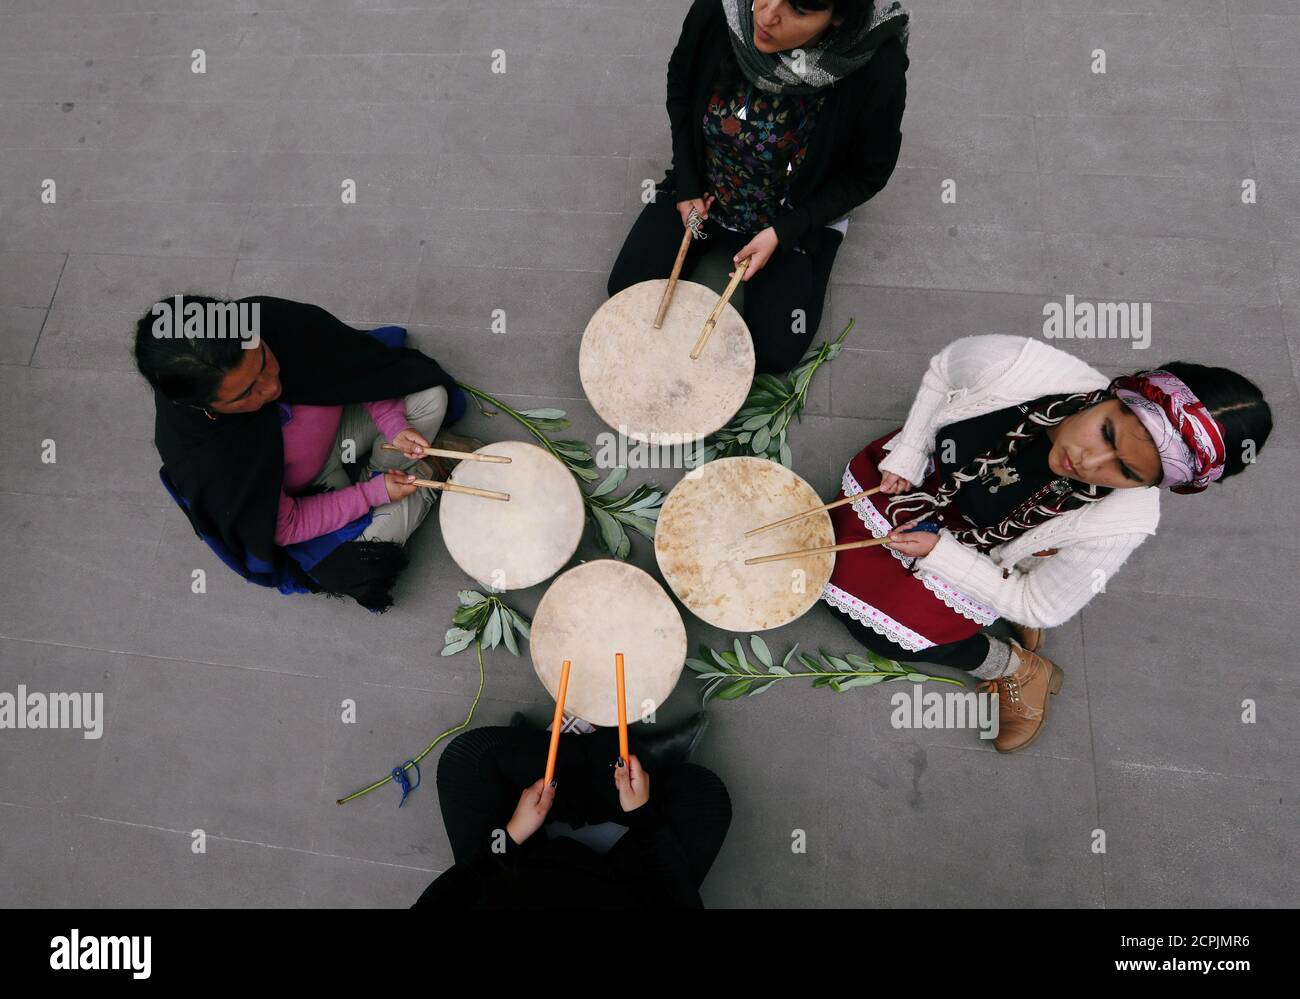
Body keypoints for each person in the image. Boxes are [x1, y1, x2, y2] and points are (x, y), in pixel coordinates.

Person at [821, 334, 1272, 752]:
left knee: (885, 634)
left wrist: (940, 554)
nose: (1086, 461)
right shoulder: (1021, 366)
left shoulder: (1122, 521)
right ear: (1118, 394)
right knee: (824, 551)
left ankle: (1016, 667)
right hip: (922, 485)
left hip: (979, 550)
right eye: (1107, 433)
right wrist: (912, 450)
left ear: (1152, 483)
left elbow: (1040, 605)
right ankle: (995, 600)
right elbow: (944, 369)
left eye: (1128, 473)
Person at [608, 0, 910, 373]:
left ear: (839, 14)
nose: (766, 16)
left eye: (798, 10)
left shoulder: (876, 66)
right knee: (626, 293)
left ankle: (817, 241)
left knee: (772, 353)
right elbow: (681, 86)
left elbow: (869, 173)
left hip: (788, 213)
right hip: (708, 189)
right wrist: (687, 183)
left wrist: (785, 230)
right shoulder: (722, 11)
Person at [133, 295, 467, 612]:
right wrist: (373, 493)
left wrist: (394, 426)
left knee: (429, 396)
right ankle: (423, 473)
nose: (272, 386)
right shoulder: (203, 452)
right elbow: (286, 525)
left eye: (264, 359)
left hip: (342, 427)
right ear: (206, 407)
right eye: (247, 393)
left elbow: (359, 368)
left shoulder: (273, 322)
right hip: (309, 490)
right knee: (360, 562)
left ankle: (404, 474)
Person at [413, 715, 730, 908]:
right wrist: (643, 817)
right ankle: (614, 762)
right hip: (622, 882)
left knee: (466, 758)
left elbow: (455, 892)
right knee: (706, 798)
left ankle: (548, 767)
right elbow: (675, 899)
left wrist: (509, 838)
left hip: (511, 867)